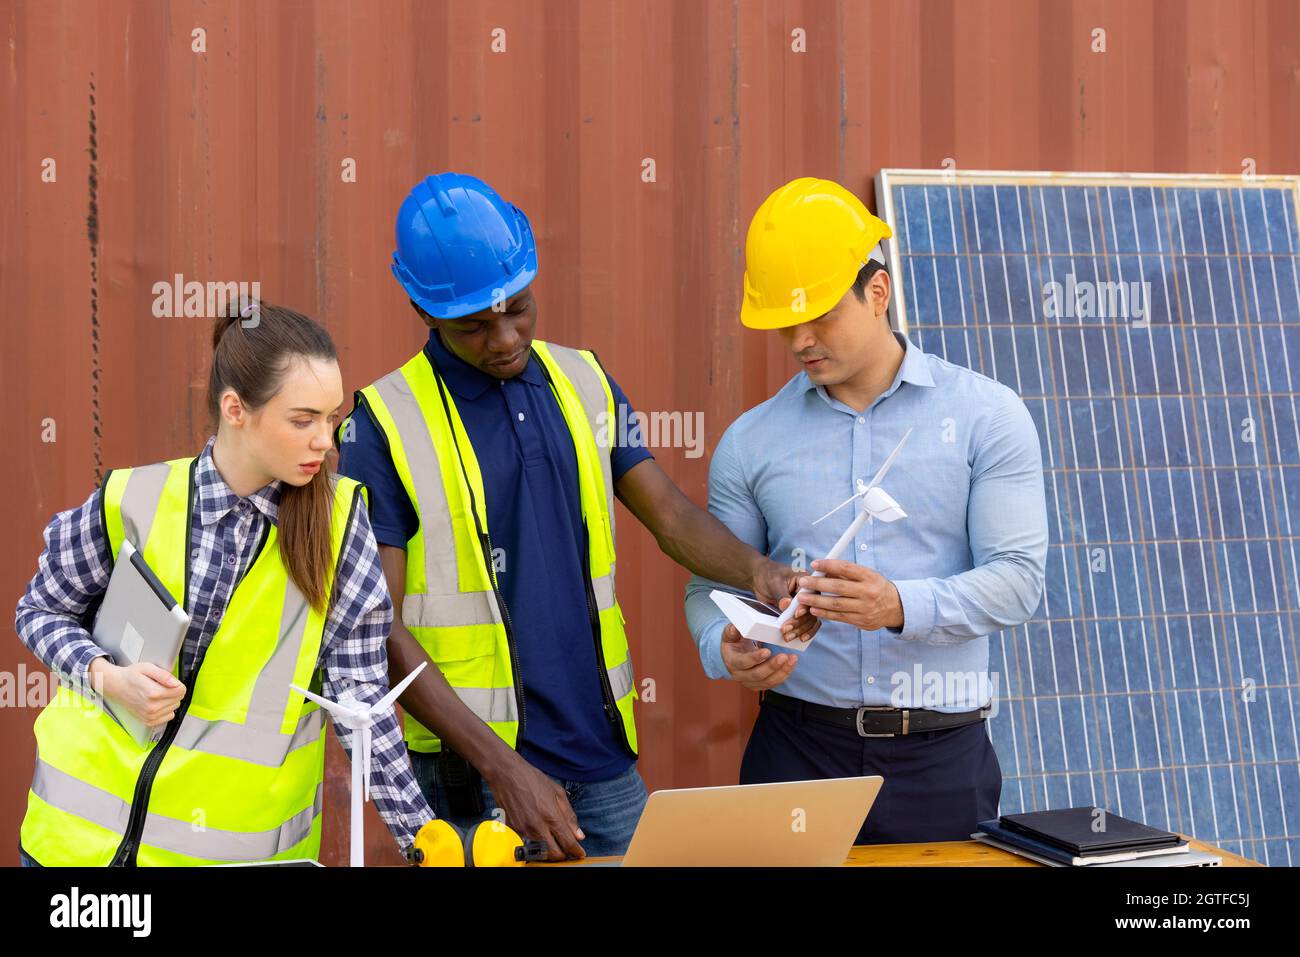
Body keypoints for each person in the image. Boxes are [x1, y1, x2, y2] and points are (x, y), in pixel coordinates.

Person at [337, 172, 816, 861]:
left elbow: (671, 516)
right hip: (475, 775)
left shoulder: (584, 379)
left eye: (519, 309)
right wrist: (506, 769)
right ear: (423, 307)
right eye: (476, 324)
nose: (505, 338)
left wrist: (762, 572)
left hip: (601, 756)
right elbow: (375, 629)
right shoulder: (382, 422)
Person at [685, 177, 1048, 844]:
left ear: (876, 292)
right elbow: (711, 587)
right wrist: (724, 645)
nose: (800, 340)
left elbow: (1019, 581)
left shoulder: (986, 419)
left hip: (940, 760)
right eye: (785, 324)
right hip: (793, 755)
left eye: (819, 314)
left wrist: (900, 605)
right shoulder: (749, 442)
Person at [15, 300, 440, 866]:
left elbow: (361, 700)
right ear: (235, 409)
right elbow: (40, 612)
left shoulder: (341, 530)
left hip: (231, 857)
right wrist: (107, 677)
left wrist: (425, 839)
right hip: (74, 850)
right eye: (303, 419)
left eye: (332, 417)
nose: (326, 441)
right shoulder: (132, 499)